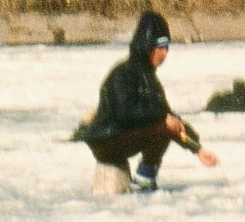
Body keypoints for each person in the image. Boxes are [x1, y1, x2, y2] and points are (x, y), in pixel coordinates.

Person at [76, 10, 219, 191]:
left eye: (167, 47)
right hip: (106, 141)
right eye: (160, 46)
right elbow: (126, 113)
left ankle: (145, 176)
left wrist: (197, 149)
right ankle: (145, 177)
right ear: (146, 45)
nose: (164, 53)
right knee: (164, 124)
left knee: (169, 123)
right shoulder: (123, 74)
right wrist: (162, 118)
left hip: (122, 139)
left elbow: (171, 119)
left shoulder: (150, 80)